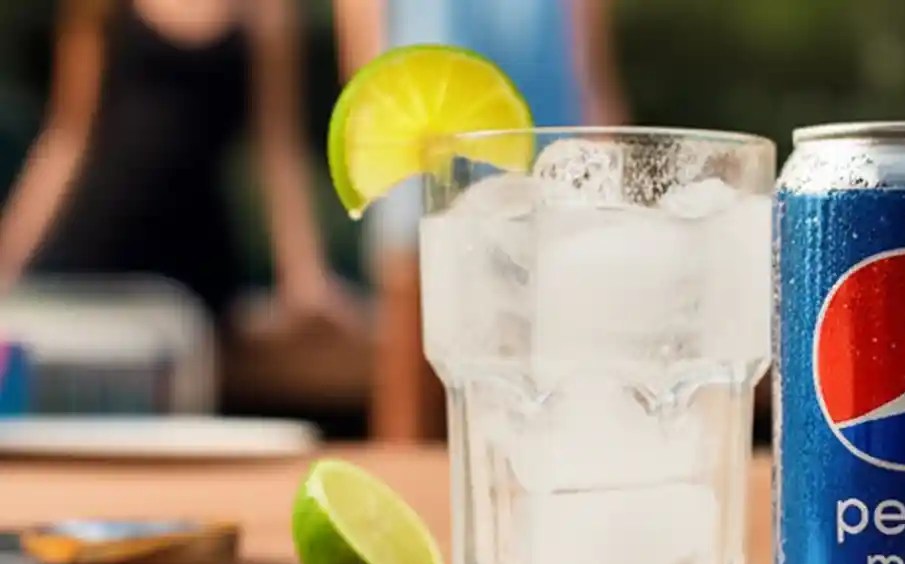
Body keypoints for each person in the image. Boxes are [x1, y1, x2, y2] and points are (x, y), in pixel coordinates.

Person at [332, 0, 627, 440]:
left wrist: (606, 151)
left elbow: (590, 63)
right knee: (416, 378)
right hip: (425, 158)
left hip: (550, 161)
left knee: (550, 382)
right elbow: (366, 58)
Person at [0, 0, 352, 327]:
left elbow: (278, 149)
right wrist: (8, 261)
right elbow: (67, 137)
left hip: (193, 257)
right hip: (95, 246)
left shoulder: (265, 11)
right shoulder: (103, 7)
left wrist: (305, 277)